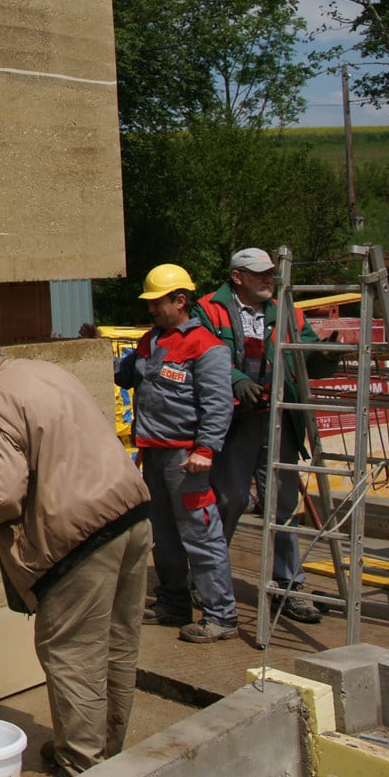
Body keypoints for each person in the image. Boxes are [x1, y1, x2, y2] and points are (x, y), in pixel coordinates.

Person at [0, 330, 153, 777]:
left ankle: (81, 770)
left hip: (79, 542)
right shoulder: (47, 372)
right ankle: (107, 752)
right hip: (132, 518)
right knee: (116, 645)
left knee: (73, 657)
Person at [196, 247, 336, 626]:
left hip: (278, 418)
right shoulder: (209, 309)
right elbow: (200, 353)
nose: (267, 279)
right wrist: (235, 379)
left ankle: (288, 587)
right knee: (229, 500)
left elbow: (303, 350)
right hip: (234, 421)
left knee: (284, 505)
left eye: (270, 273)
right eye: (258, 274)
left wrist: (325, 355)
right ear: (237, 277)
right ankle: (209, 583)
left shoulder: (284, 309)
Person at [114, 264, 239, 643]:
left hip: (186, 459)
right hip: (152, 455)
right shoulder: (151, 341)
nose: (151, 309)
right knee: (164, 536)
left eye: (157, 302)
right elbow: (125, 378)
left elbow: (219, 406)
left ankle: (221, 615)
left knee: (201, 535)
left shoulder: (207, 347)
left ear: (180, 301)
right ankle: (173, 603)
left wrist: (205, 450)